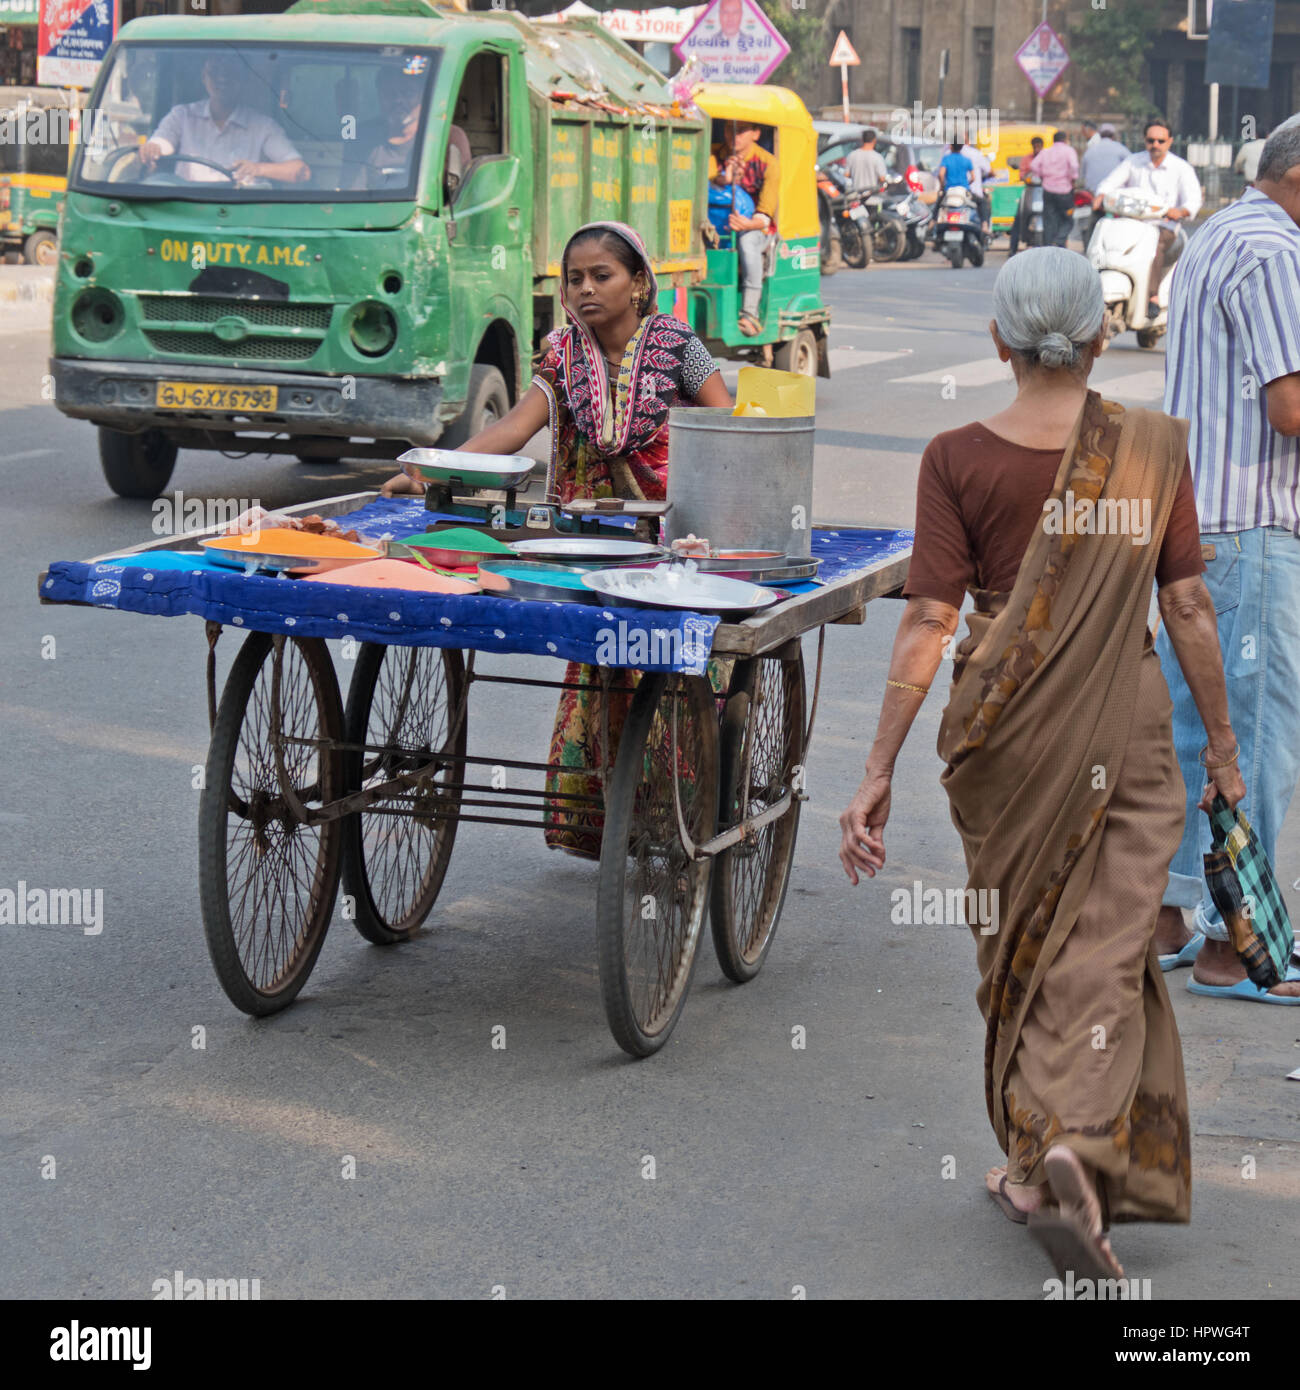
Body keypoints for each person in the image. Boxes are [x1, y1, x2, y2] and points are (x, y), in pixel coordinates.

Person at [837, 247, 1242, 1280]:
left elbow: (929, 619)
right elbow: (1186, 605)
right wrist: (1226, 754)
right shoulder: (1148, 447)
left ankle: (1035, 1156)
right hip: (1126, 723)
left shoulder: (954, 455)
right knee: (1104, 941)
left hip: (1001, 734)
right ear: (1104, 338)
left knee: (1020, 940)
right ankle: (1069, 1142)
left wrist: (876, 766)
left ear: (998, 343)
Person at [382, 222, 732, 856]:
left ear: (639, 283)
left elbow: (725, 429)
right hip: (590, 542)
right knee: (602, 663)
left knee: (676, 663)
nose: (587, 289)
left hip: (673, 541)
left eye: (603, 275)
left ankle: (677, 816)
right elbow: (516, 429)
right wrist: (426, 469)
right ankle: (609, 815)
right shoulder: (561, 355)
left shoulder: (681, 346)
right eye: (575, 278)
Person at [1154, 122, 1300, 1002]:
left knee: (1196, 736)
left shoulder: (1217, 231)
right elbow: (1290, 405)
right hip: (1249, 525)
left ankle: (1174, 917)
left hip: (1196, 523)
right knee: (1254, 741)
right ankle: (1234, 948)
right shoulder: (1277, 248)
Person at [140, 53, 309, 186]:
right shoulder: (182, 116)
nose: (222, 78)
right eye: (214, 72)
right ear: (203, 77)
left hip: (241, 213)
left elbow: (300, 171)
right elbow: (162, 143)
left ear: (244, 79)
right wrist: (152, 149)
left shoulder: (263, 126)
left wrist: (258, 169)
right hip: (188, 208)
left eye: (231, 72)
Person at [1093, 120, 1201, 324]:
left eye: (1161, 140)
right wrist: (1101, 196)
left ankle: (1152, 296)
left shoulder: (1181, 168)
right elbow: (1108, 183)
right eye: (1151, 140)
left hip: (1164, 227)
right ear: (1145, 140)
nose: (1156, 145)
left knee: (1155, 244)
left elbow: (1193, 201)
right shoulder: (1133, 162)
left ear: (1169, 142)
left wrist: (1181, 211)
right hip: (1130, 226)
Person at [710, 121, 778, 337]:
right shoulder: (713, 154)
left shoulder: (768, 164)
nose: (734, 136)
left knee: (747, 242)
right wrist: (726, 177)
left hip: (755, 228)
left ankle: (750, 312)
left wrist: (747, 224)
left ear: (756, 134)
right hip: (716, 222)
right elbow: (707, 182)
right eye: (730, 129)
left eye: (742, 131)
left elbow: (765, 215)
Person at [1079, 123, 1131, 246]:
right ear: (1113, 136)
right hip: (1116, 197)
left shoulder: (1090, 151)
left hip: (1094, 195)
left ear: (1100, 135)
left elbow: (1083, 174)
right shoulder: (1121, 149)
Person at [1029, 130, 1079, 248]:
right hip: (1064, 191)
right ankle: (1058, 241)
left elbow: (1034, 165)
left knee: (1049, 220)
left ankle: (1048, 246)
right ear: (1065, 140)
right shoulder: (1069, 151)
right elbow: (1074, 166)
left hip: (1048, 191)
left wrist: (1042, 175)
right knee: (1067, 220)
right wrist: (1072, 177)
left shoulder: (1045, 152)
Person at [1007, 136, 1044, 256]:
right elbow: (1021, 173)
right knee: (1019, 217)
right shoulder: (1027, 159)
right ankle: (1012, 248)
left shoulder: (1047, 158)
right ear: (1032, 147)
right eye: (1035, 147)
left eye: (1039, 146)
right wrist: (1026, 177)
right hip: (1029, 191)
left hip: (1044, 191)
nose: (1037, 149)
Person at [845, 127, 888, 194]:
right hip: (872, 195)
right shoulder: (877, 157)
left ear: (862, 140)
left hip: (856, 194)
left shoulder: (852, 155)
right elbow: (882, 178)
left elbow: (846, 174)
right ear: (874, 140)